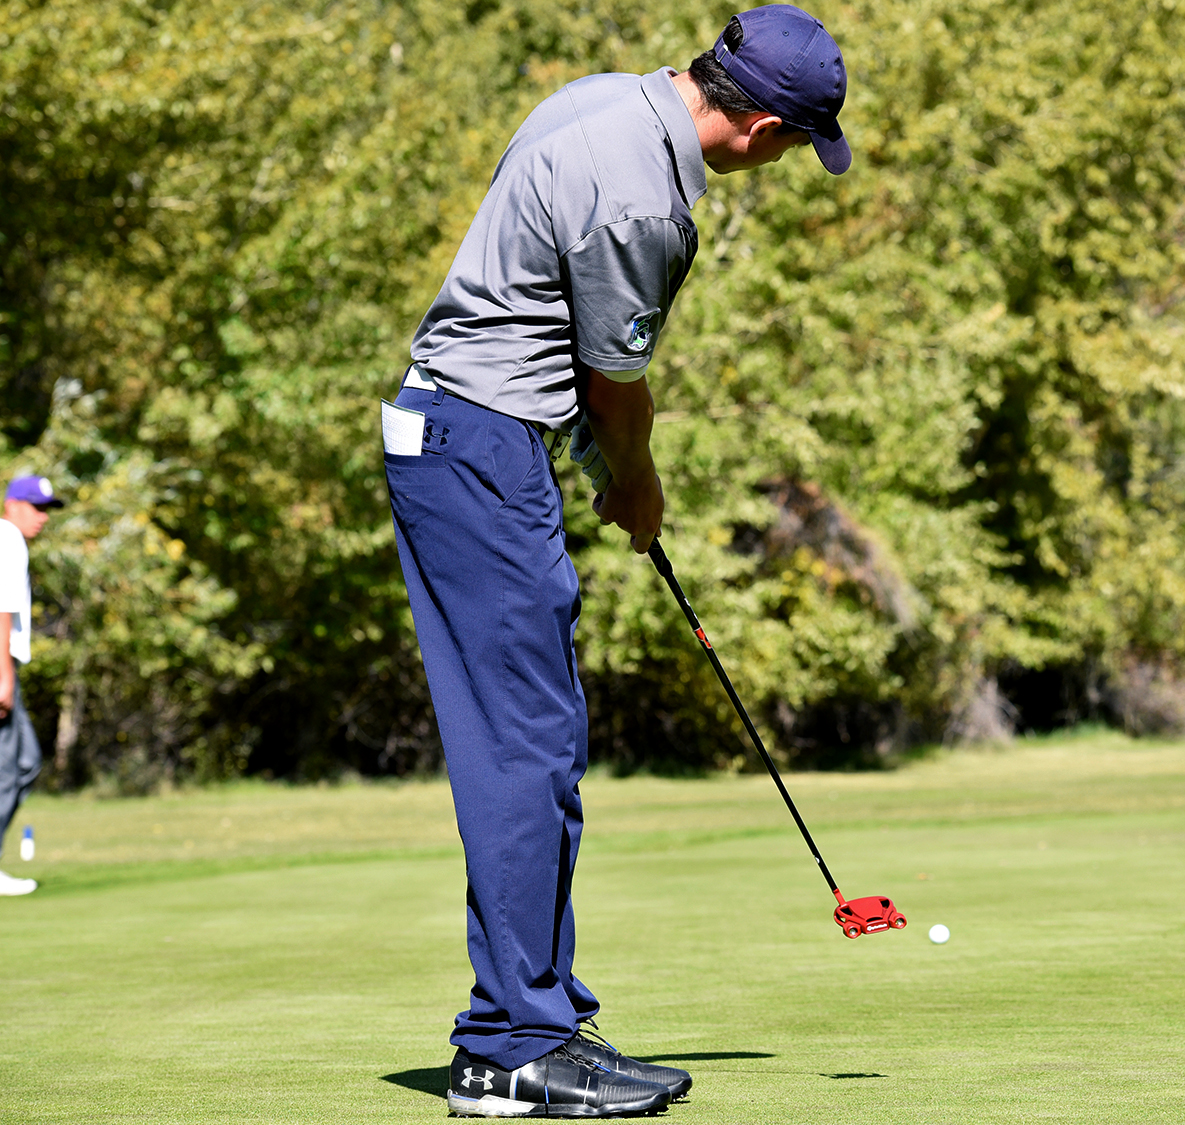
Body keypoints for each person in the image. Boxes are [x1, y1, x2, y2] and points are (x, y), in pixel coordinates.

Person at [383, 6, 852, 1117]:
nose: (783, 164)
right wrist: (634, 488)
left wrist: (593, 461)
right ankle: (509, 1051)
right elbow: (615, 385)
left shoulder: (599, 97)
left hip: (468, 434)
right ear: (765, 124)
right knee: (525, 749)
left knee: (540, 740)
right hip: (478, 445)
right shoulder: (648, 193)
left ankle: (539, 1019)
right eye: (795, 146)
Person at [0, 475, 60, 897]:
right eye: (36, 507)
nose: (42, 517)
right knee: (17, 765)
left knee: (20, 763)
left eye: (47, 510)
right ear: (12, 504)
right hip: (0, 669)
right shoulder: (8, 539)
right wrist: (3, 675)